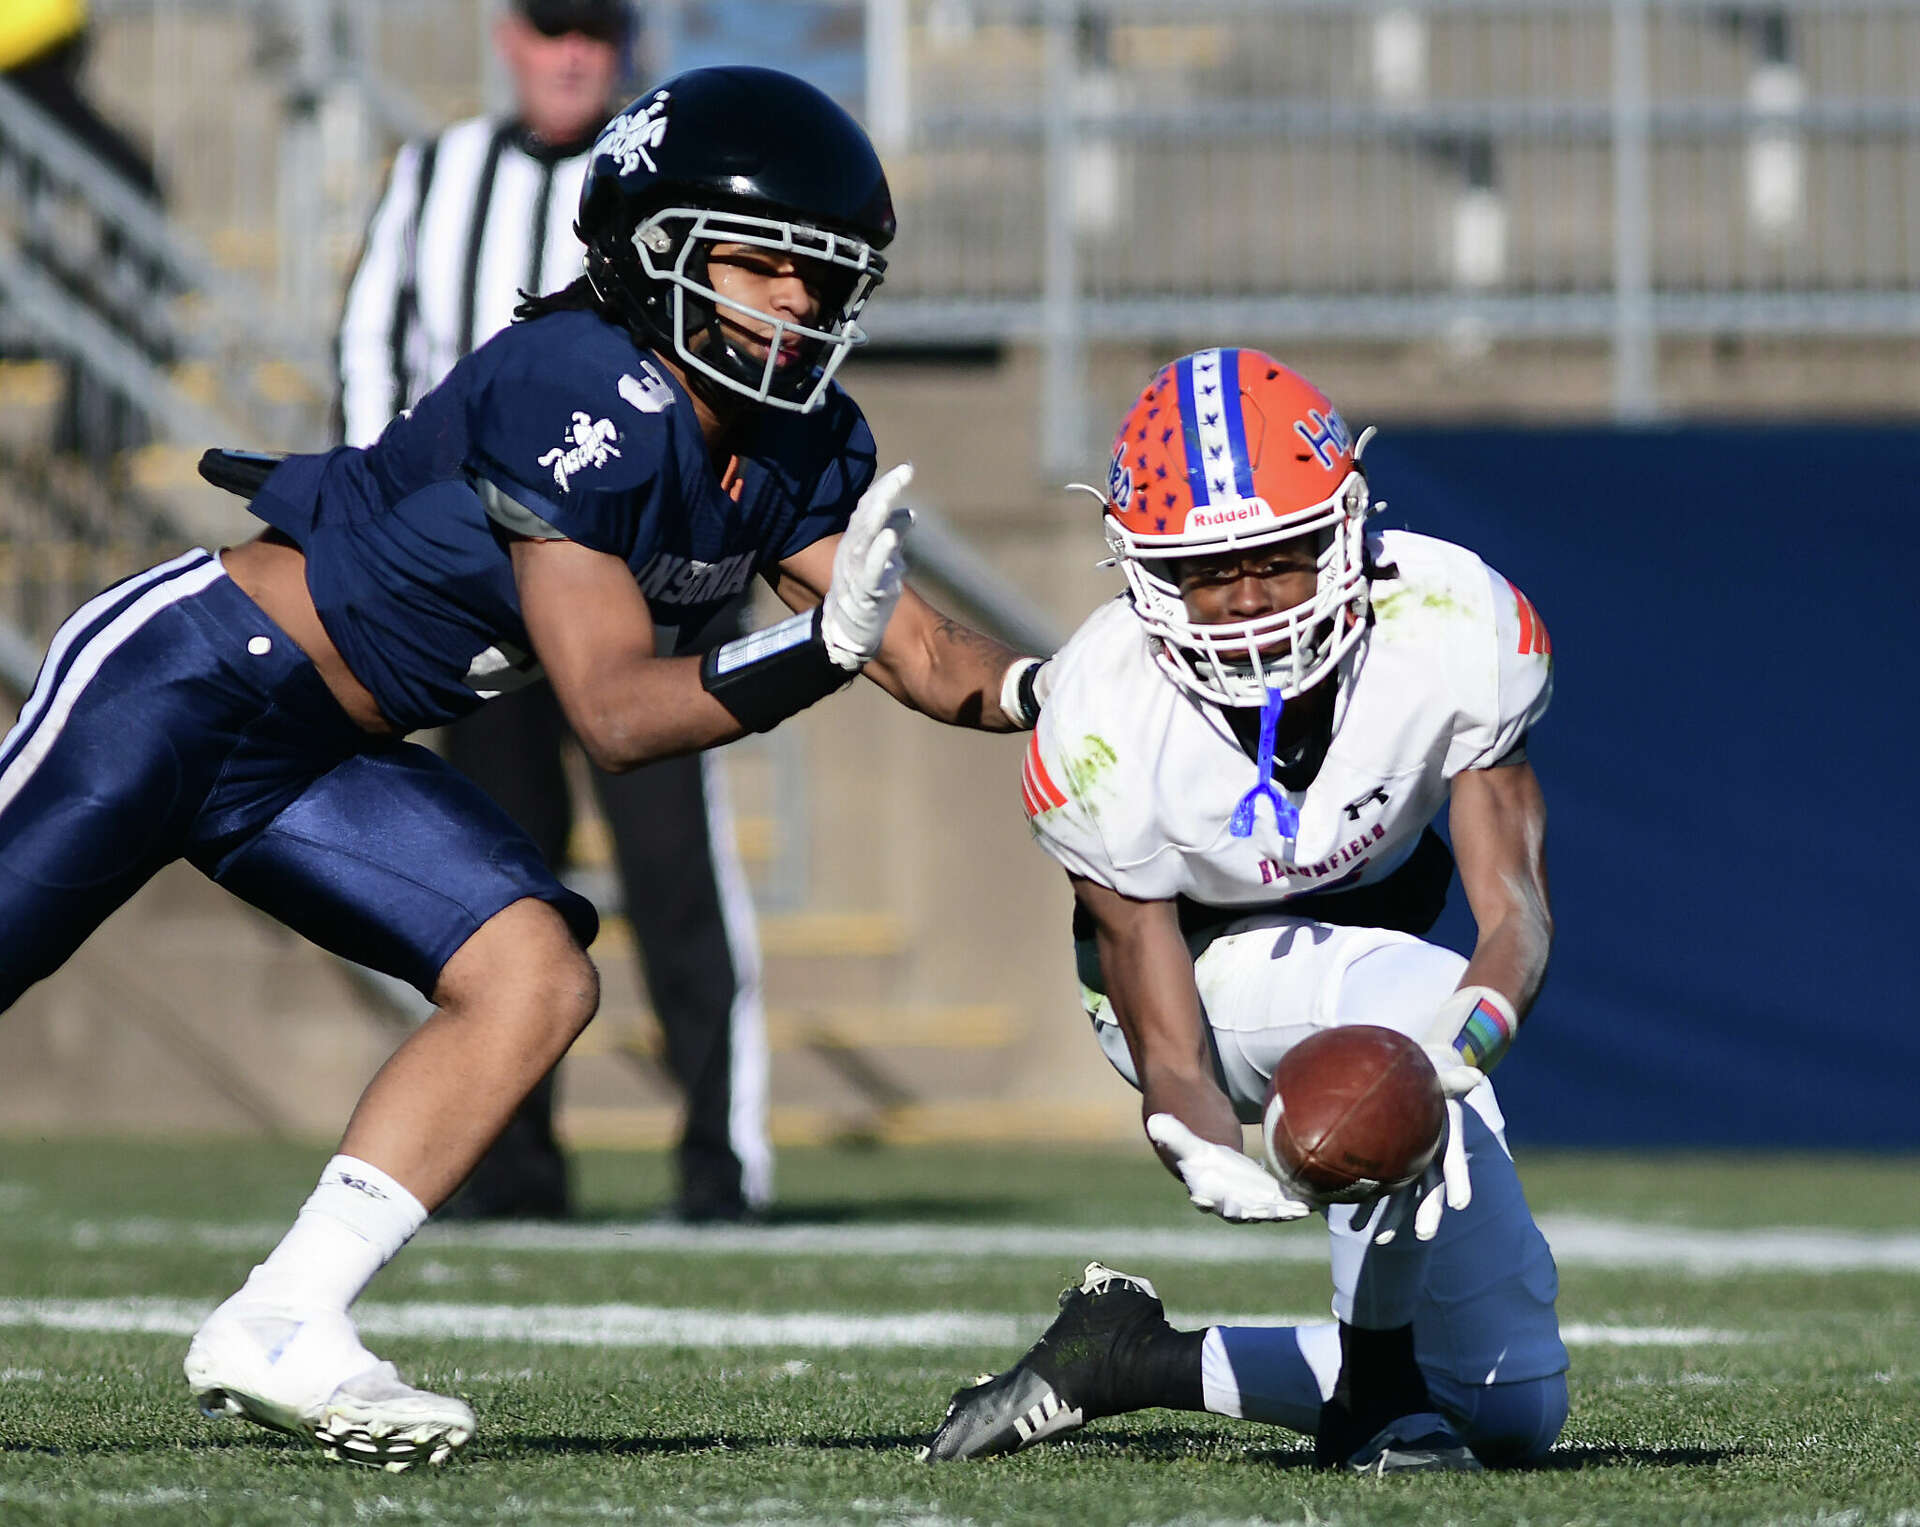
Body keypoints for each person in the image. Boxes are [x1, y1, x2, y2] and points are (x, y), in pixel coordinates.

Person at [0, 66, 1050, 1470]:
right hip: (186, 681)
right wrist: (813, 653)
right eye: (761, 265)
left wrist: (1063, 690)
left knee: (535, 972)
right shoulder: (579, 379)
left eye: (821, 276)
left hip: (316, 752)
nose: (795, 304)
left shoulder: (793, 438)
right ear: (653, 252)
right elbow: (613, 710)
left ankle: (284, 1320)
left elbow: (916, 648)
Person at [923, 350, 1567, 1473]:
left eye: (1279, 555)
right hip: (1195, 978)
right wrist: (1191, 1134)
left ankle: (1126, 1357)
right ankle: (1377, 1401)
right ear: (1145, 573)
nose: (1253, 596)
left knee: (1510, 1405)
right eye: (1211, 571)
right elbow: (1166, 1033)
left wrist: (1465, 1046)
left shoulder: (1452, 619)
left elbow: (1515, 917)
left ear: (1346, 527)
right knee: (1401, 1013)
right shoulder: (1104, 708)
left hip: (1383, 980)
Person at [338, 0, 770, 1224]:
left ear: (626, 44)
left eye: (595, 28)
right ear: (507, 37)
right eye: (551, 25)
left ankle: (721, 1165)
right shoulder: (435, 176)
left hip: (641, 585)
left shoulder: (671, 184)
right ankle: (508, 1164)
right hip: (479, 589)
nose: (572, 52)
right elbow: (370, 354)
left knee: (676, 879)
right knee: (494, 878)